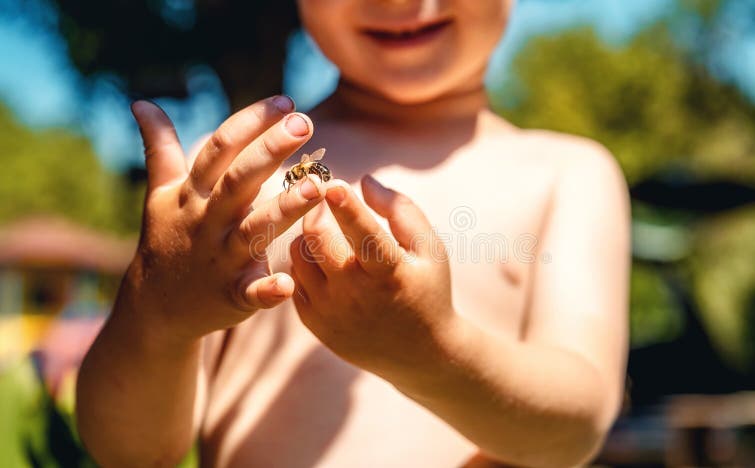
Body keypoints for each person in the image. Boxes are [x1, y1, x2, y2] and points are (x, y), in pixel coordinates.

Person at [76, 1, 631, 466]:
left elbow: (575, 429)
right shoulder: (230, 178)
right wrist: (157, 316)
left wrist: (432, 355)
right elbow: (131, 454)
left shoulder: (567, 173)